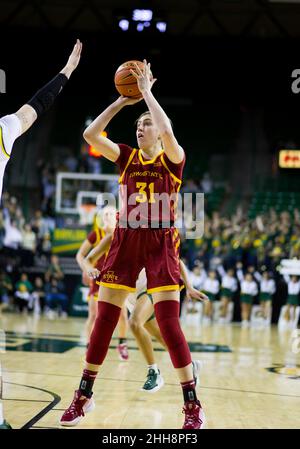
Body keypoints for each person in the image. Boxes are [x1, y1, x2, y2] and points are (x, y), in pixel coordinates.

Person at [60, 60, 205, 429]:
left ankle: (192, 406)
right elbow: (92, 135)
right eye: (138, 124)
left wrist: (148, 95)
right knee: (104, 322)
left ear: (159, 131)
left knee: (169, 324)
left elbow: (168, 129)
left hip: (160, 241)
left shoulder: (173, 158)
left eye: (147, 124)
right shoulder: (125, 156)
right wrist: (124, 101)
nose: (141, 127)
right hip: (126, 238)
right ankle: (83, 396)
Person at [83, 234, 207, 393]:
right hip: (128, 293)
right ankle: (190, 367)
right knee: (162, 337)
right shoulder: (115, 236)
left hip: (149, 287)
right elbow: (87, 259)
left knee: (134, 323)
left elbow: (175, 259)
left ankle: (154, 372)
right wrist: (89, 269)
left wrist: (189, 287)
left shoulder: (150, 232)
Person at [0, 39, 82, 201]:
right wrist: (67, 70)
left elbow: (38, 103)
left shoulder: (4, 128)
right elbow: (38, 103)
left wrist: (67, 70)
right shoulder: (4, 129)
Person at [76, 206, 130, 361]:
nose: (107, 216)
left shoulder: (122, 233)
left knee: (123, 316)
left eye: (110, 213)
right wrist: (86, 269)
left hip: (117, 279)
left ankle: (122, 343)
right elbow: (80, 255)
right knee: (93, 315)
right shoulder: (96, 234)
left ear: (117, 216)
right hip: (98, 279)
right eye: (105, 214)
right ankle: (89, 345)